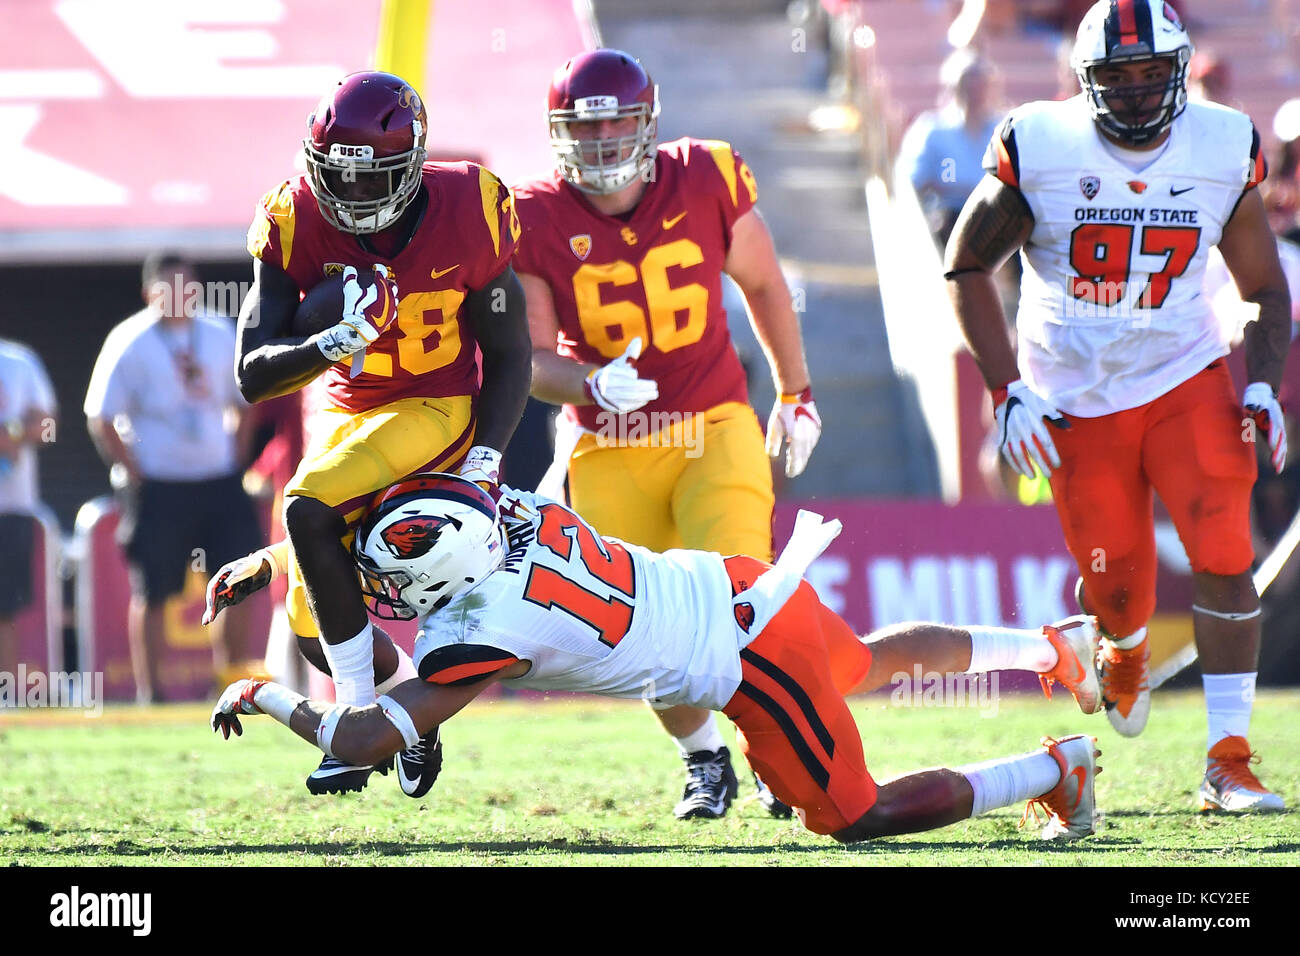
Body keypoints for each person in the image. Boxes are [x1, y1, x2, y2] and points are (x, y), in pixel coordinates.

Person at [207, 473, 1104, 844]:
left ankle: (1051, 772)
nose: (376, 592)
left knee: (849, 818)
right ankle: (1047, 648)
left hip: (747, 658)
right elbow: (386, 527)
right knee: (861, 666)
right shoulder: (496, 506)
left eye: (389, 581)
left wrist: (264, 693)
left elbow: (362, 741)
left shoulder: (477, 638)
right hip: (735, 583)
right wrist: (276, 560)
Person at [944, 0, 1290, 812]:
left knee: (1224, 550)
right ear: (1084, 80)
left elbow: (1265, 288)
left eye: (1149, 75)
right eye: (1116, 78)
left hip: (1185, 371)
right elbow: (966, 266)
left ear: (1178, 71)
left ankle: (1228, 760)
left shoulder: (1220, 143)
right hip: (1073, 389)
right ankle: (1120, 646)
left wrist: (1264, 382)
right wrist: (1007, 390)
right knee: (1117, 590)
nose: (1135, 94)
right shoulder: (1043, 143)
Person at [513, 49, 822, 820]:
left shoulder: (705, 177)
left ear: (649, 123)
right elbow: (526, 358)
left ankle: (772, 759)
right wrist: (587, 382)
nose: (606, 145)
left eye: (620, 125)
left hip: (712, 420)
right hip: (607, 443)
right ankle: (703, 760)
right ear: (559, 136)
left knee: (740, 597)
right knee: (645, 629)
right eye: (586, 131)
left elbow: (765, 286)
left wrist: (796, 392)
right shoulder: (536, 212)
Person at [235, 70, 532, 797]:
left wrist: (488, 454)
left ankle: (356, 722)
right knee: (312, 623)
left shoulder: (473, 207)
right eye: (337, 177)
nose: (354, 196)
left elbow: (511, 346)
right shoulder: (293, 217)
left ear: (414, 163)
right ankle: (409, 722)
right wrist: (328, 345)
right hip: (347, 409)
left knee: (305, 504)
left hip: (434, 403)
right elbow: (253, 372)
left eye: (374, 180)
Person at [84, 254, 263, 703]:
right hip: (159, 485)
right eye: (169, 289)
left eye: (188, 287)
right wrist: (133, 469)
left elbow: (247, 401)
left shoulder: (220, 333)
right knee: (154, 588)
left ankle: (230, 686)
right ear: (150, 294)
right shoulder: (130, 340)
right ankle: (153, 695)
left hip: (218, 481)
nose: (181, 298)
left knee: (235, 582)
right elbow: (100, 415)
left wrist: (237, 458)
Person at [896, 49, 1004, 247]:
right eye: (968, 85)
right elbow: (913, 180)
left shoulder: (1003, 130)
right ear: (954, 88)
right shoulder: (932, 129)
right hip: (951, 215)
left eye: (980, 85)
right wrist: (955, 187)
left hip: (996, 216)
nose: (975, 93)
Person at [0, 339, 57, 677]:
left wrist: (13, 433)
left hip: (11, 506)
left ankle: (3, 698)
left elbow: (47, 427)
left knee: (5, 607)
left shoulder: (19, 361)